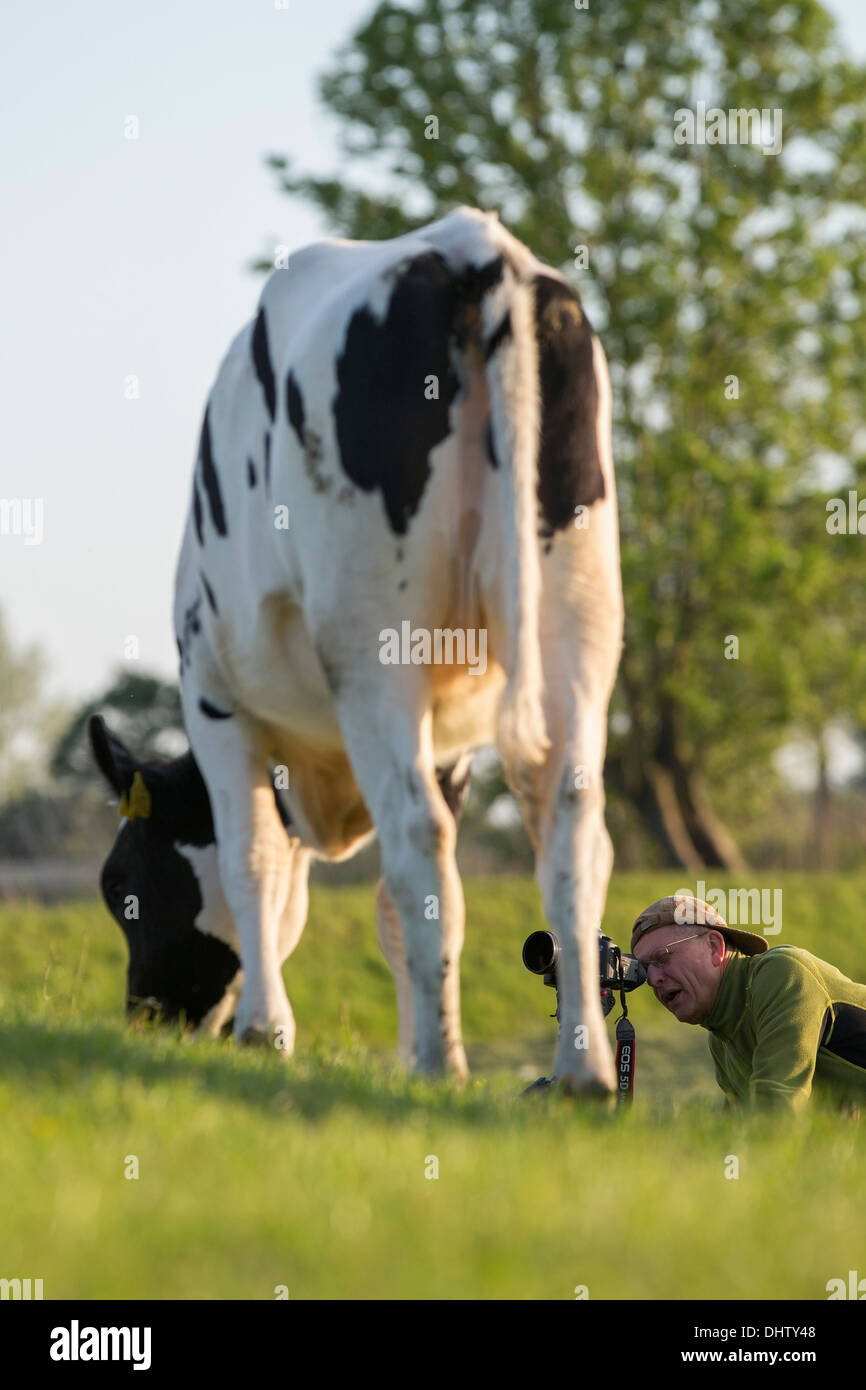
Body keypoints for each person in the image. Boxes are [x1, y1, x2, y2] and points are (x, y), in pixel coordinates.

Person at [630, 894, 866, 1111]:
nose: (652, 979)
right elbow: (743, 1132)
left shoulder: (781, 973)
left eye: (663, 957)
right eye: (644, 969)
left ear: (714, 947)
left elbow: (776, 1108)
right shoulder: (722, 1037)